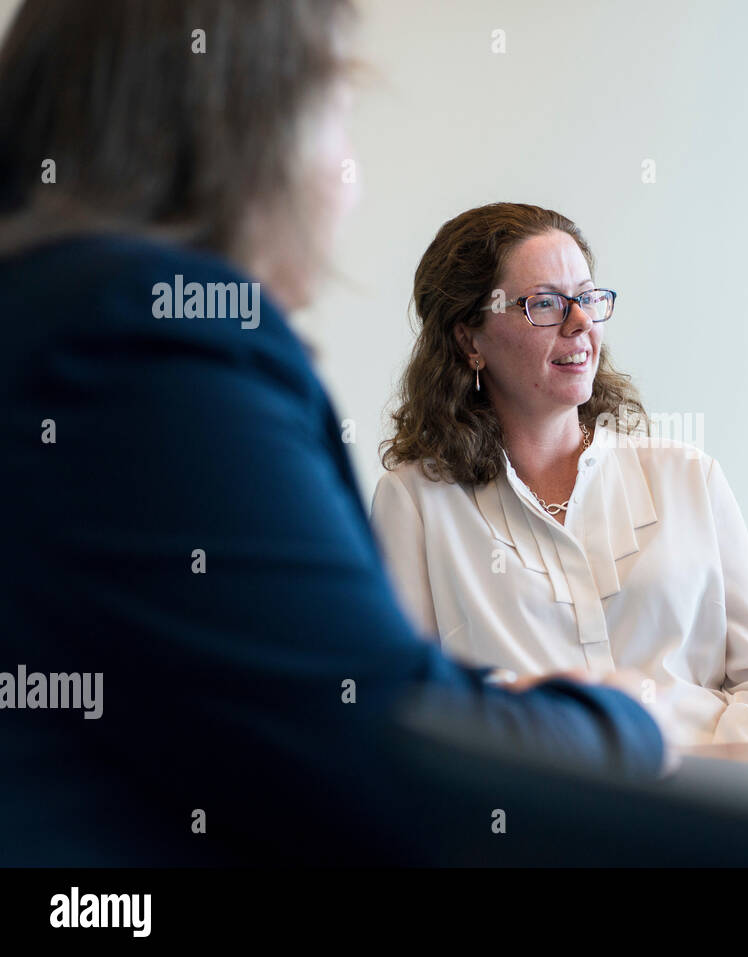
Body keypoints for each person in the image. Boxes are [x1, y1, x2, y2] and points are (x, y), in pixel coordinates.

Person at [0, 0, 670, 866]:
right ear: (247, 131)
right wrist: (621, 727)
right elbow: (384, 753)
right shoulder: (144, 337)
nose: (348, 174)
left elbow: (290, 693)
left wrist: (497, 709)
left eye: (589, 298)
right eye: (340, 110)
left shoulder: (57, 315)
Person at [371, 203, 748, 746]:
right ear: (470, 341)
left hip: (700, 814)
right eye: (545, 304)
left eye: (586, 298)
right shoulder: (416, 501)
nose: (580, 322)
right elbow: (405, 715)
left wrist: (682, 757)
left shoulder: (688, 478)